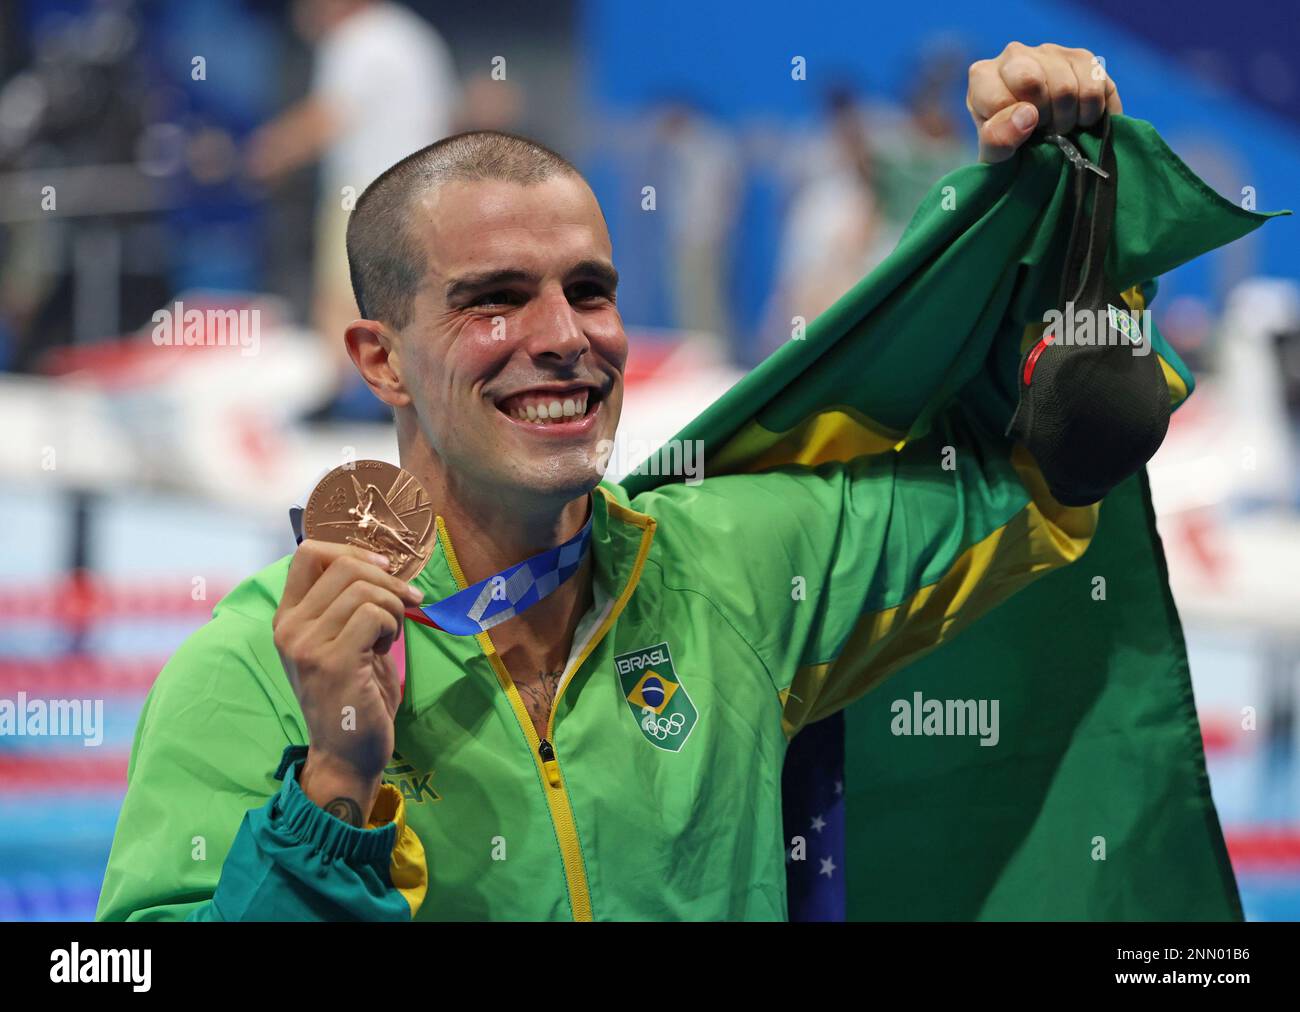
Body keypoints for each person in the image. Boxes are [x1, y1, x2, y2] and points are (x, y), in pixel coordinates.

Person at [98, 43, 1130, 921]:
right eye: (494, 301)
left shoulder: (740, 567)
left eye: (588, 291)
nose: (562, 339)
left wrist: (1065, 192)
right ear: (379, 359)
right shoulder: (249, 673)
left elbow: (1035, 463)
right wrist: (330, 791)